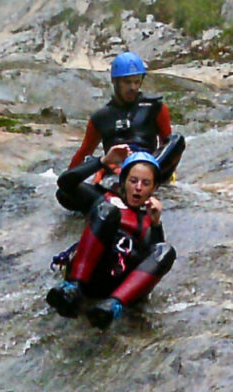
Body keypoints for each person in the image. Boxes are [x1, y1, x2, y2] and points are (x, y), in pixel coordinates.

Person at [47, 144, 176, 329]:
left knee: (166, 249)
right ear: (123, 181)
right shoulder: (103, 198)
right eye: (133, 181)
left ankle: (113, 306)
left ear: (154, 188)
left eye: (145, 183)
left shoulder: (148, 218)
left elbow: (152, 261)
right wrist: (103, 161)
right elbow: (65, 185)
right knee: (108, 211)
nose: (138, 188)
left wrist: (156, 223)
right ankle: (72, 288)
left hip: (117, 283)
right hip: (91, 271)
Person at [57, 51, 186, 212]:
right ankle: (118, 194)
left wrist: (152, 169)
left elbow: (168, 143)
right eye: (127, 82)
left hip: (150, 168)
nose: (133, 87)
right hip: (117, 175)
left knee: (177, 139)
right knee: (63, 193)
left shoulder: (155, 108)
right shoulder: (101, 117)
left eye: (136, 82)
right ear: (115, 81)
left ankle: (145, 176)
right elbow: (84, 152)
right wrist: (71, 175)